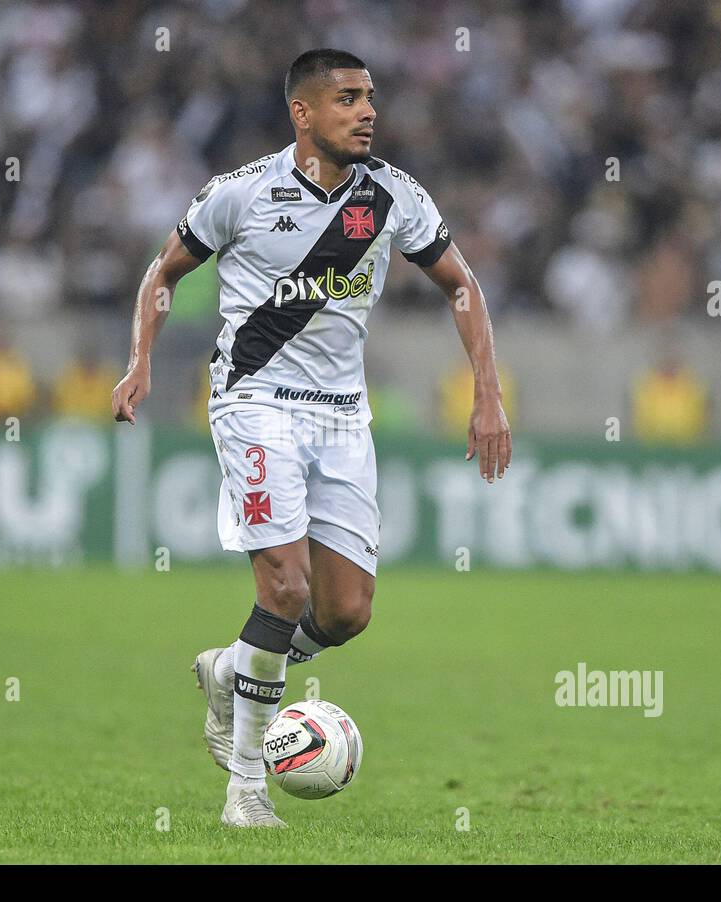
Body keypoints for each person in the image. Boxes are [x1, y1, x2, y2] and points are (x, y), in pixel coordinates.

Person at [111, 49, 511, 828]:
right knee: (285, 587)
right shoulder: (240, 194)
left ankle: (232, 667)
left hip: (342, 416)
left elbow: (462, 284)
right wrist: (139, 363)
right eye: (347, 99)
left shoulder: (392, 196)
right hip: (253, 401)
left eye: (370, 98)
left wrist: (487, 393)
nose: (367, 112)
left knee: (345, 611)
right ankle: (246, 792)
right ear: (303, 113)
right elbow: (164, 272)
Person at [632, 347, 709, 445]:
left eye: (672, 361)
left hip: (688, 445)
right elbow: (641, 419)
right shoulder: (645, 384)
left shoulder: (693, 383)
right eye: (665, 361)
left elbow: (701, 416)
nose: (669, 365)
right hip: (653, 445)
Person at [53, 346, 117, 421]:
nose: (88, 365)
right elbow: (59, 407)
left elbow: (113, 410)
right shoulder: (68, 378)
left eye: (91, 362)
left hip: (100, 425)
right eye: (85, 362)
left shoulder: (108, 380)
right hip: (72, 424)